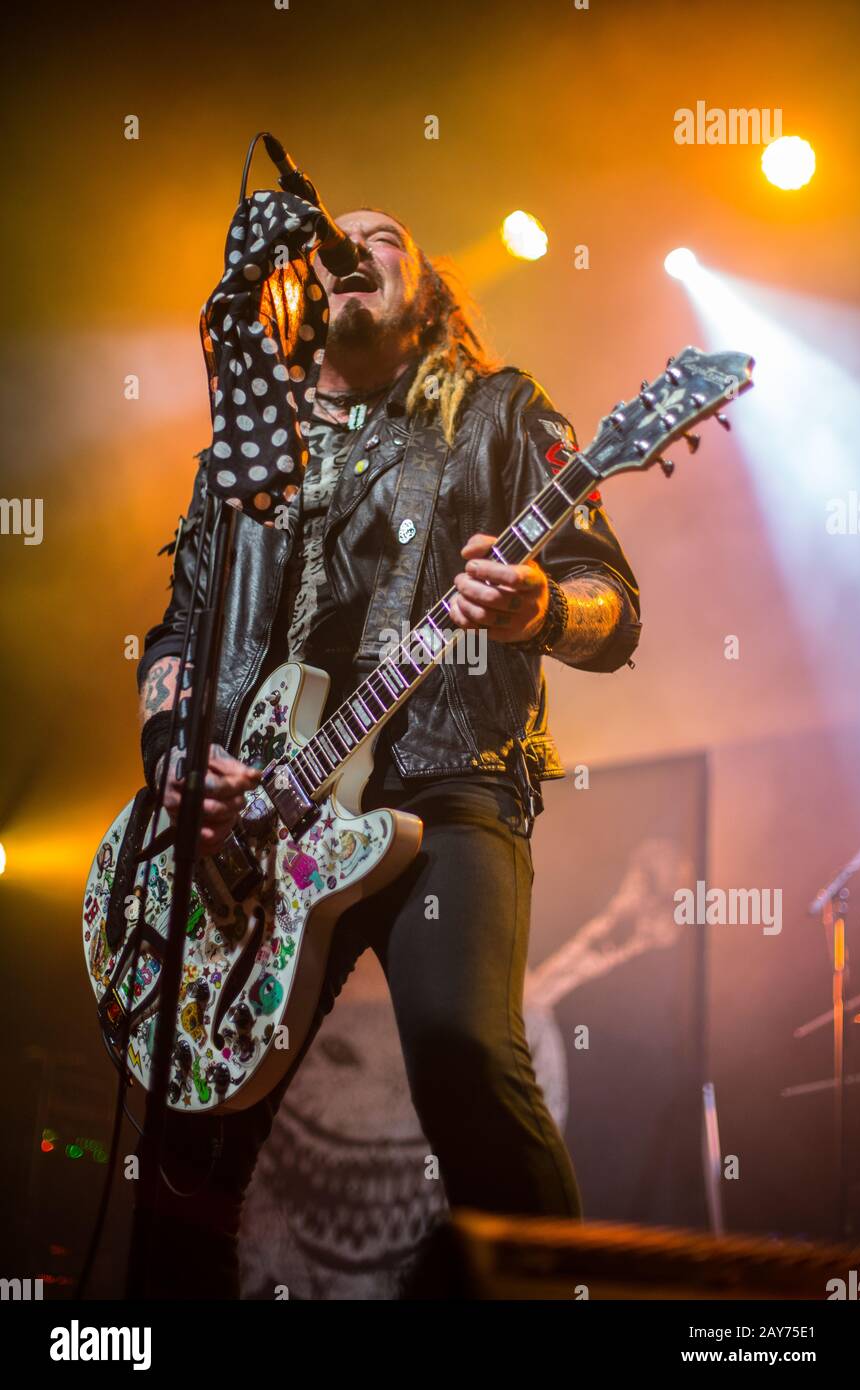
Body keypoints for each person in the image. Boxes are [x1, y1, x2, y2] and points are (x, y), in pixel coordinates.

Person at [132, 208, 641, 1298]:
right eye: (330, 238)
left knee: (462, 1051)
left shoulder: (501, 413)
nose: (346, 245)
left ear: (431, 293)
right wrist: (176, 755)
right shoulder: (246, 455)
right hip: (265, 827)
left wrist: (538, 606)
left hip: (445, 792)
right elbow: (177, 627)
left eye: (384, 236)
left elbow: (615, 605)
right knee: (185, 1123)